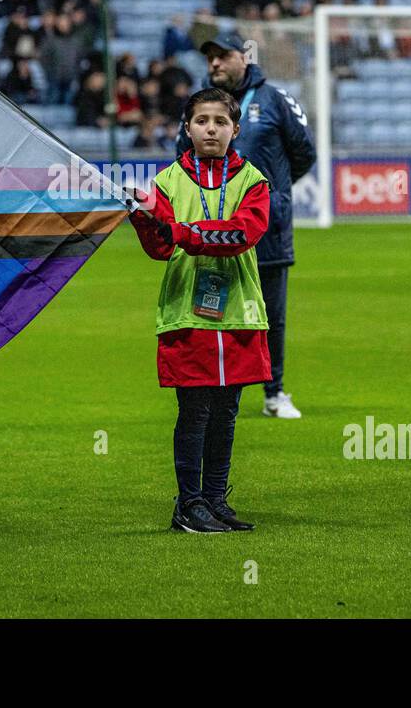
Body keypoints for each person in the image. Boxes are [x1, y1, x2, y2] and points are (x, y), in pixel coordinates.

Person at [127, 87, 272, 533]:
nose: (211, 128)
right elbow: (158, 247)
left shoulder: (254, 180)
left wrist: (177, 228)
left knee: (226, 412)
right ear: (186, 128)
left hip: (240, 312)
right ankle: (188, 504)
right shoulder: (167, 182)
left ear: (235, 129)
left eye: (220, 122)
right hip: (186, 312)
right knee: (194, 411)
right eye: (202, 121)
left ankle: (215, 499)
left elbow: (242, 235)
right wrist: (143, 217)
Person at [180, 31, 317, 419]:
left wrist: (275, 196)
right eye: (210, 59)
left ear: (244, 57)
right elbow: (181, 159)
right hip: (214, 233)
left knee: (272, 317)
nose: (215, 65)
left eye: (222, 56)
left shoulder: (275, 99)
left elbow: (304, 153)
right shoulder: (198, 108)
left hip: (267, 231)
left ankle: (274, 394)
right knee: (212, 312)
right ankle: (215, 393)